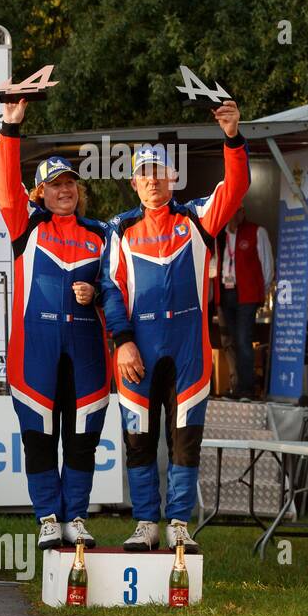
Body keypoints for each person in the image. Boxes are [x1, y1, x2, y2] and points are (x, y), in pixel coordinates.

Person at [100, 101, 246, 553]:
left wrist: (232, 137)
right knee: (139, 438)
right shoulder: (120, 230)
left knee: (185, 442)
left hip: (189, 353)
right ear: (134, 182)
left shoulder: (197, 219)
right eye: (144, 173)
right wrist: (122, 343)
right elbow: (110, 288)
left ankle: (179, 522)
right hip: (137, 353)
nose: (152, 180)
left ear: (174, 179)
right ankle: (146, 523)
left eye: (159, 172)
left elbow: (236, 187)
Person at [0, 100, 111, 550]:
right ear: (39, 193)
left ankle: (76, 516)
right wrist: (10, 127)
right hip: (35, 354)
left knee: (82, 440)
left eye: (70, 184)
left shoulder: (102, 234)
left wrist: (97, 294)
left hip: (86, 354)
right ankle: (48, 516)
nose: (64, 190)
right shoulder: (26, 226)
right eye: (54, 184)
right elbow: (6, 189)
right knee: (39, 439)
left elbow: (120, 290)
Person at [214, 207, 272, 399]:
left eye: (239, 211)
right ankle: (236, 386)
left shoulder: (256, 231)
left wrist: (259, 292)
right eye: (232, 212)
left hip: (246, 295)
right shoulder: (219, 236)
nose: (236, 216)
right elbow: (215, 264)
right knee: (230, 342)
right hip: (225, 293)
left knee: (243, 339)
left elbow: (267, 265)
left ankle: (247, 388)